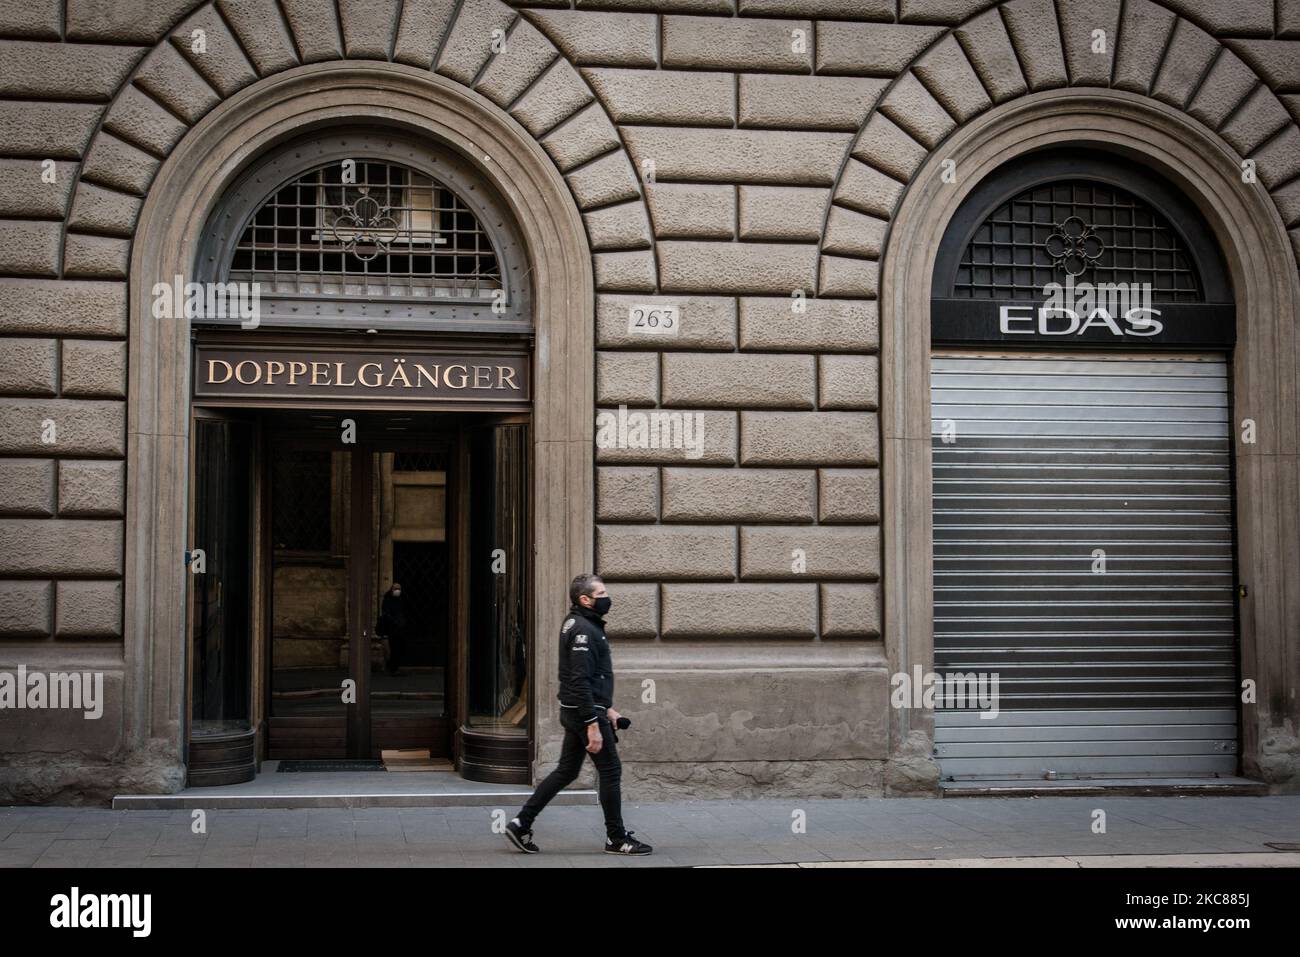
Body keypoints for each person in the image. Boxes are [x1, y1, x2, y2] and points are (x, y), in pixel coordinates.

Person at [504, 574, 651, 856]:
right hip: (583, 714)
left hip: (578, 711)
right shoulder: (584, 631)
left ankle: (521, 822)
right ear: (585, 599)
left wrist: (607, 710)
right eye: (602, 593)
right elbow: (579, 680)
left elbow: (586, 678)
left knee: (566, 771)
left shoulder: (579, 623)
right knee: (610, 771)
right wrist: (593, 725)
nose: (607, 597)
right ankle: (617, 838)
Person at [377, 582, 407, 676]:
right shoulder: (388, 599)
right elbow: (386, 613)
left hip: (400, 628)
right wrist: (395, 622)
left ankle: (394, 667)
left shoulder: (400, 599)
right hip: (392, 628)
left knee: (399, 648)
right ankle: (393, 669)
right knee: (394, 648)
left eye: (399, 589)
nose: (397, 591)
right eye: (395, 589)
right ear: (392, 589)